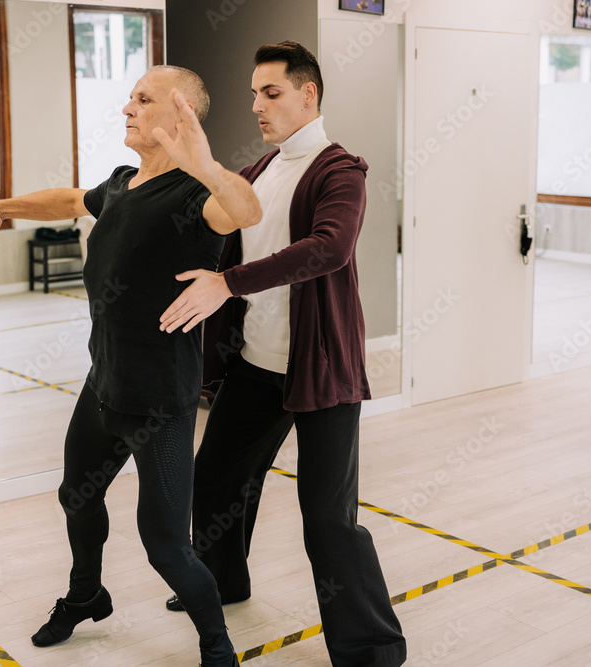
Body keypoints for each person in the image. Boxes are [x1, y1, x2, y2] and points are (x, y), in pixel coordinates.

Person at [0, 66, 262, 667]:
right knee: (77, 495)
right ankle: (85, 594)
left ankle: (216, 641)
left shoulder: (196, 196)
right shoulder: (123, 183)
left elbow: (246, 212)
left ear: (180, 117)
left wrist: (206, 165)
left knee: (167, 549)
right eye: (130, 96)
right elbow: (72, 198)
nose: (128, 106)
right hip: (104, 387)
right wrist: (2, 206)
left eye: (143, 99)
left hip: (160, 402)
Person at [158, 41, 407, 666]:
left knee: (328, 521)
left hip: (321, 371)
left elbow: (330, 249)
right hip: (256, 365)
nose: (257, 106)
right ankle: (221, 583)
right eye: (253, 94)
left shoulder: (340, 169)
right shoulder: (261, 170)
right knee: (215, 480)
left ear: (308, 94)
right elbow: (212, 220)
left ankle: (373, 648)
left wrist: (228, 284)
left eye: (270, 93)